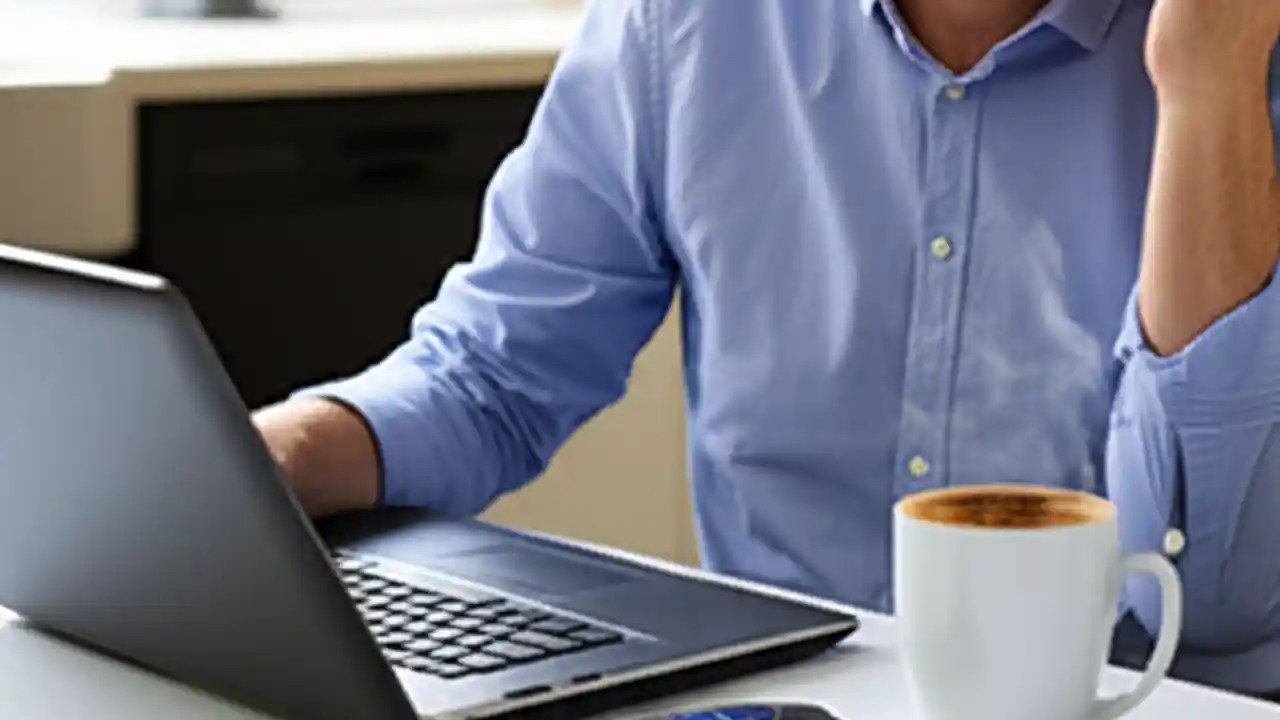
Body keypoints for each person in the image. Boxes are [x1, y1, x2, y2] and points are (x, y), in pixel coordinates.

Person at [253, 0, 1280, 696]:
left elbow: (1213, 597)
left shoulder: (1241, 58)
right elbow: (493, 374)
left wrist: (1209, 85)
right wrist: (271, 457)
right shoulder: (691, 24)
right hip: (790, 701)